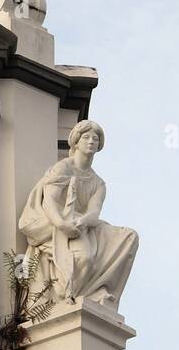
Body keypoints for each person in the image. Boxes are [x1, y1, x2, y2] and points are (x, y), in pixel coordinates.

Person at [18, 120, 138, 309]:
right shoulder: (63, 168)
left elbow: (94, 211)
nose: (91, 141)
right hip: (53, 221)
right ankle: (65, 291)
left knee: (128, 237)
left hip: (82, 223)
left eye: (95, 139)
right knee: (85, 258)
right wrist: (62, 224)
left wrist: (82, 221)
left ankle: (95, 288)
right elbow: (50, 201)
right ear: (76, 141)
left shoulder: (98, 183)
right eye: (86, 137)